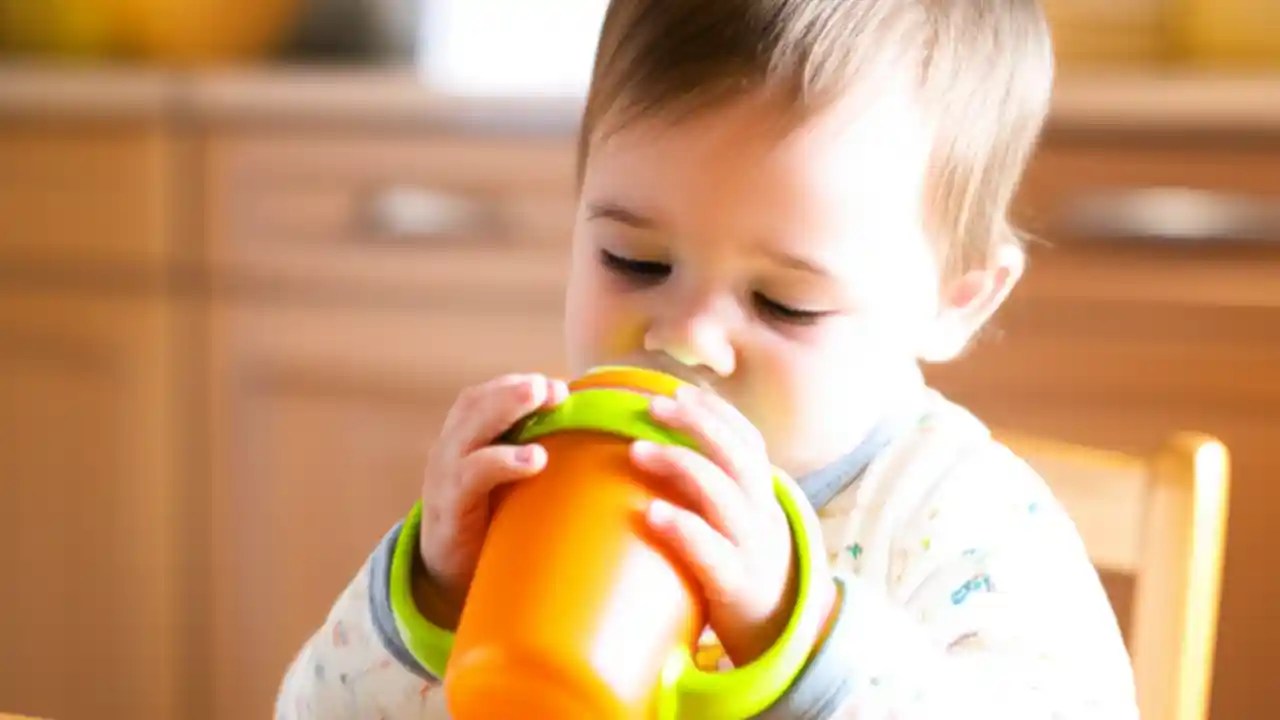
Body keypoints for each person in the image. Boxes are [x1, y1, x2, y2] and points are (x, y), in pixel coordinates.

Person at [276, 1, 1138, 717]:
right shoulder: (531, 475)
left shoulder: (961, 523)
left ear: (955, 301)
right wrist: (427, 603)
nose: (685, 336)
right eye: (635, 262)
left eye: (783, 303)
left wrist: (802, 646)